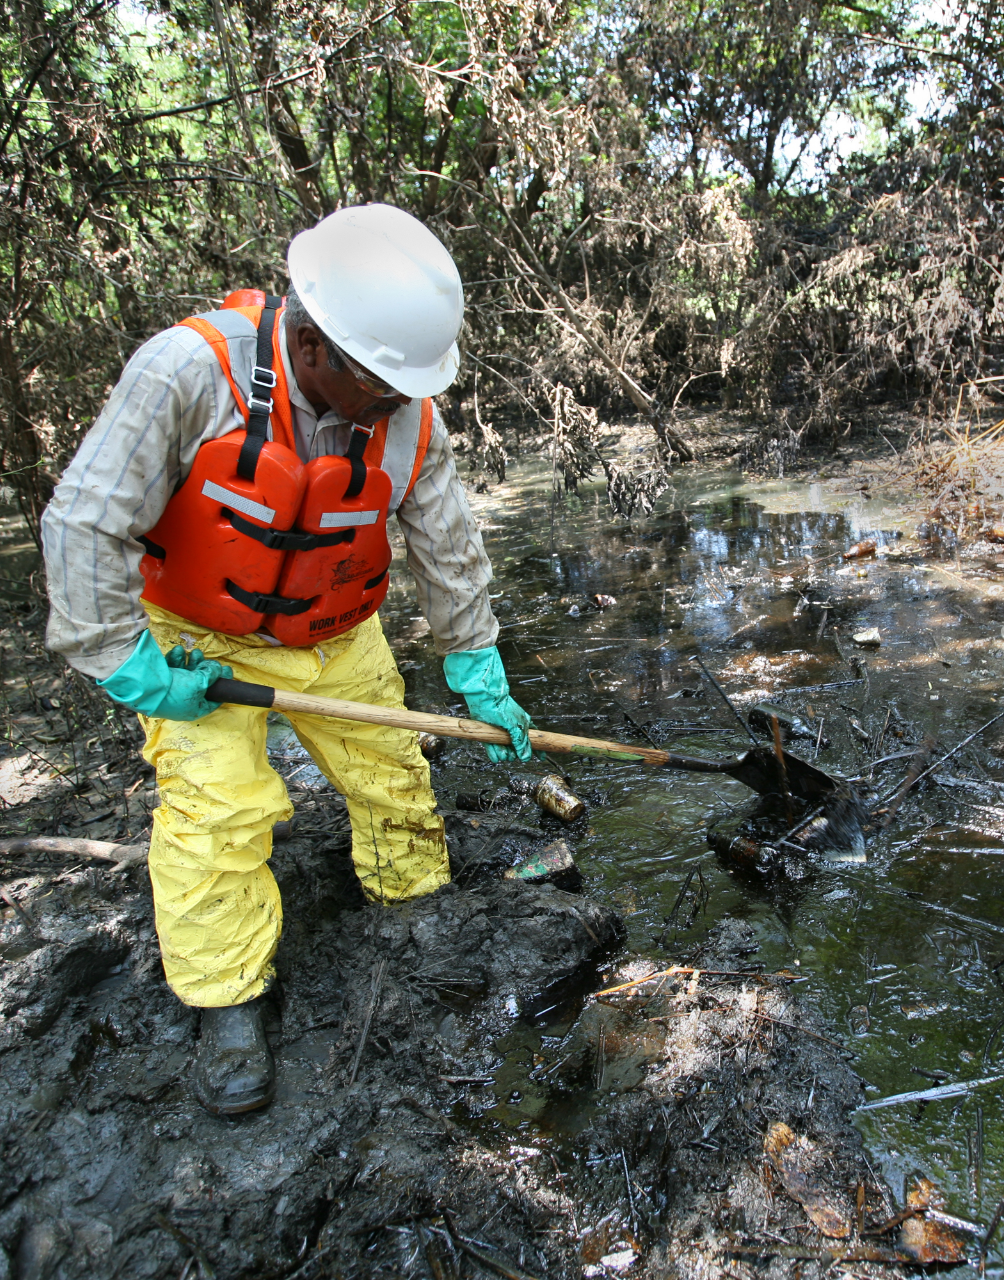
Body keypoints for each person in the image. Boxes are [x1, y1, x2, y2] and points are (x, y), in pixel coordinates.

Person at [41, 204, 533, 1115]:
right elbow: (82, 522)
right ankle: (227, 1000)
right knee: (217, 812)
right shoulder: (188, 373)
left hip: (339, 631)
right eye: (380, 386)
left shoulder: (407, 417)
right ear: (312, 346)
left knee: (394, 777)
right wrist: (125, 659)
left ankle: (412, 911)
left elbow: (449, 547)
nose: (394, 405)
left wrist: (476, 664)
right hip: (200, 639)